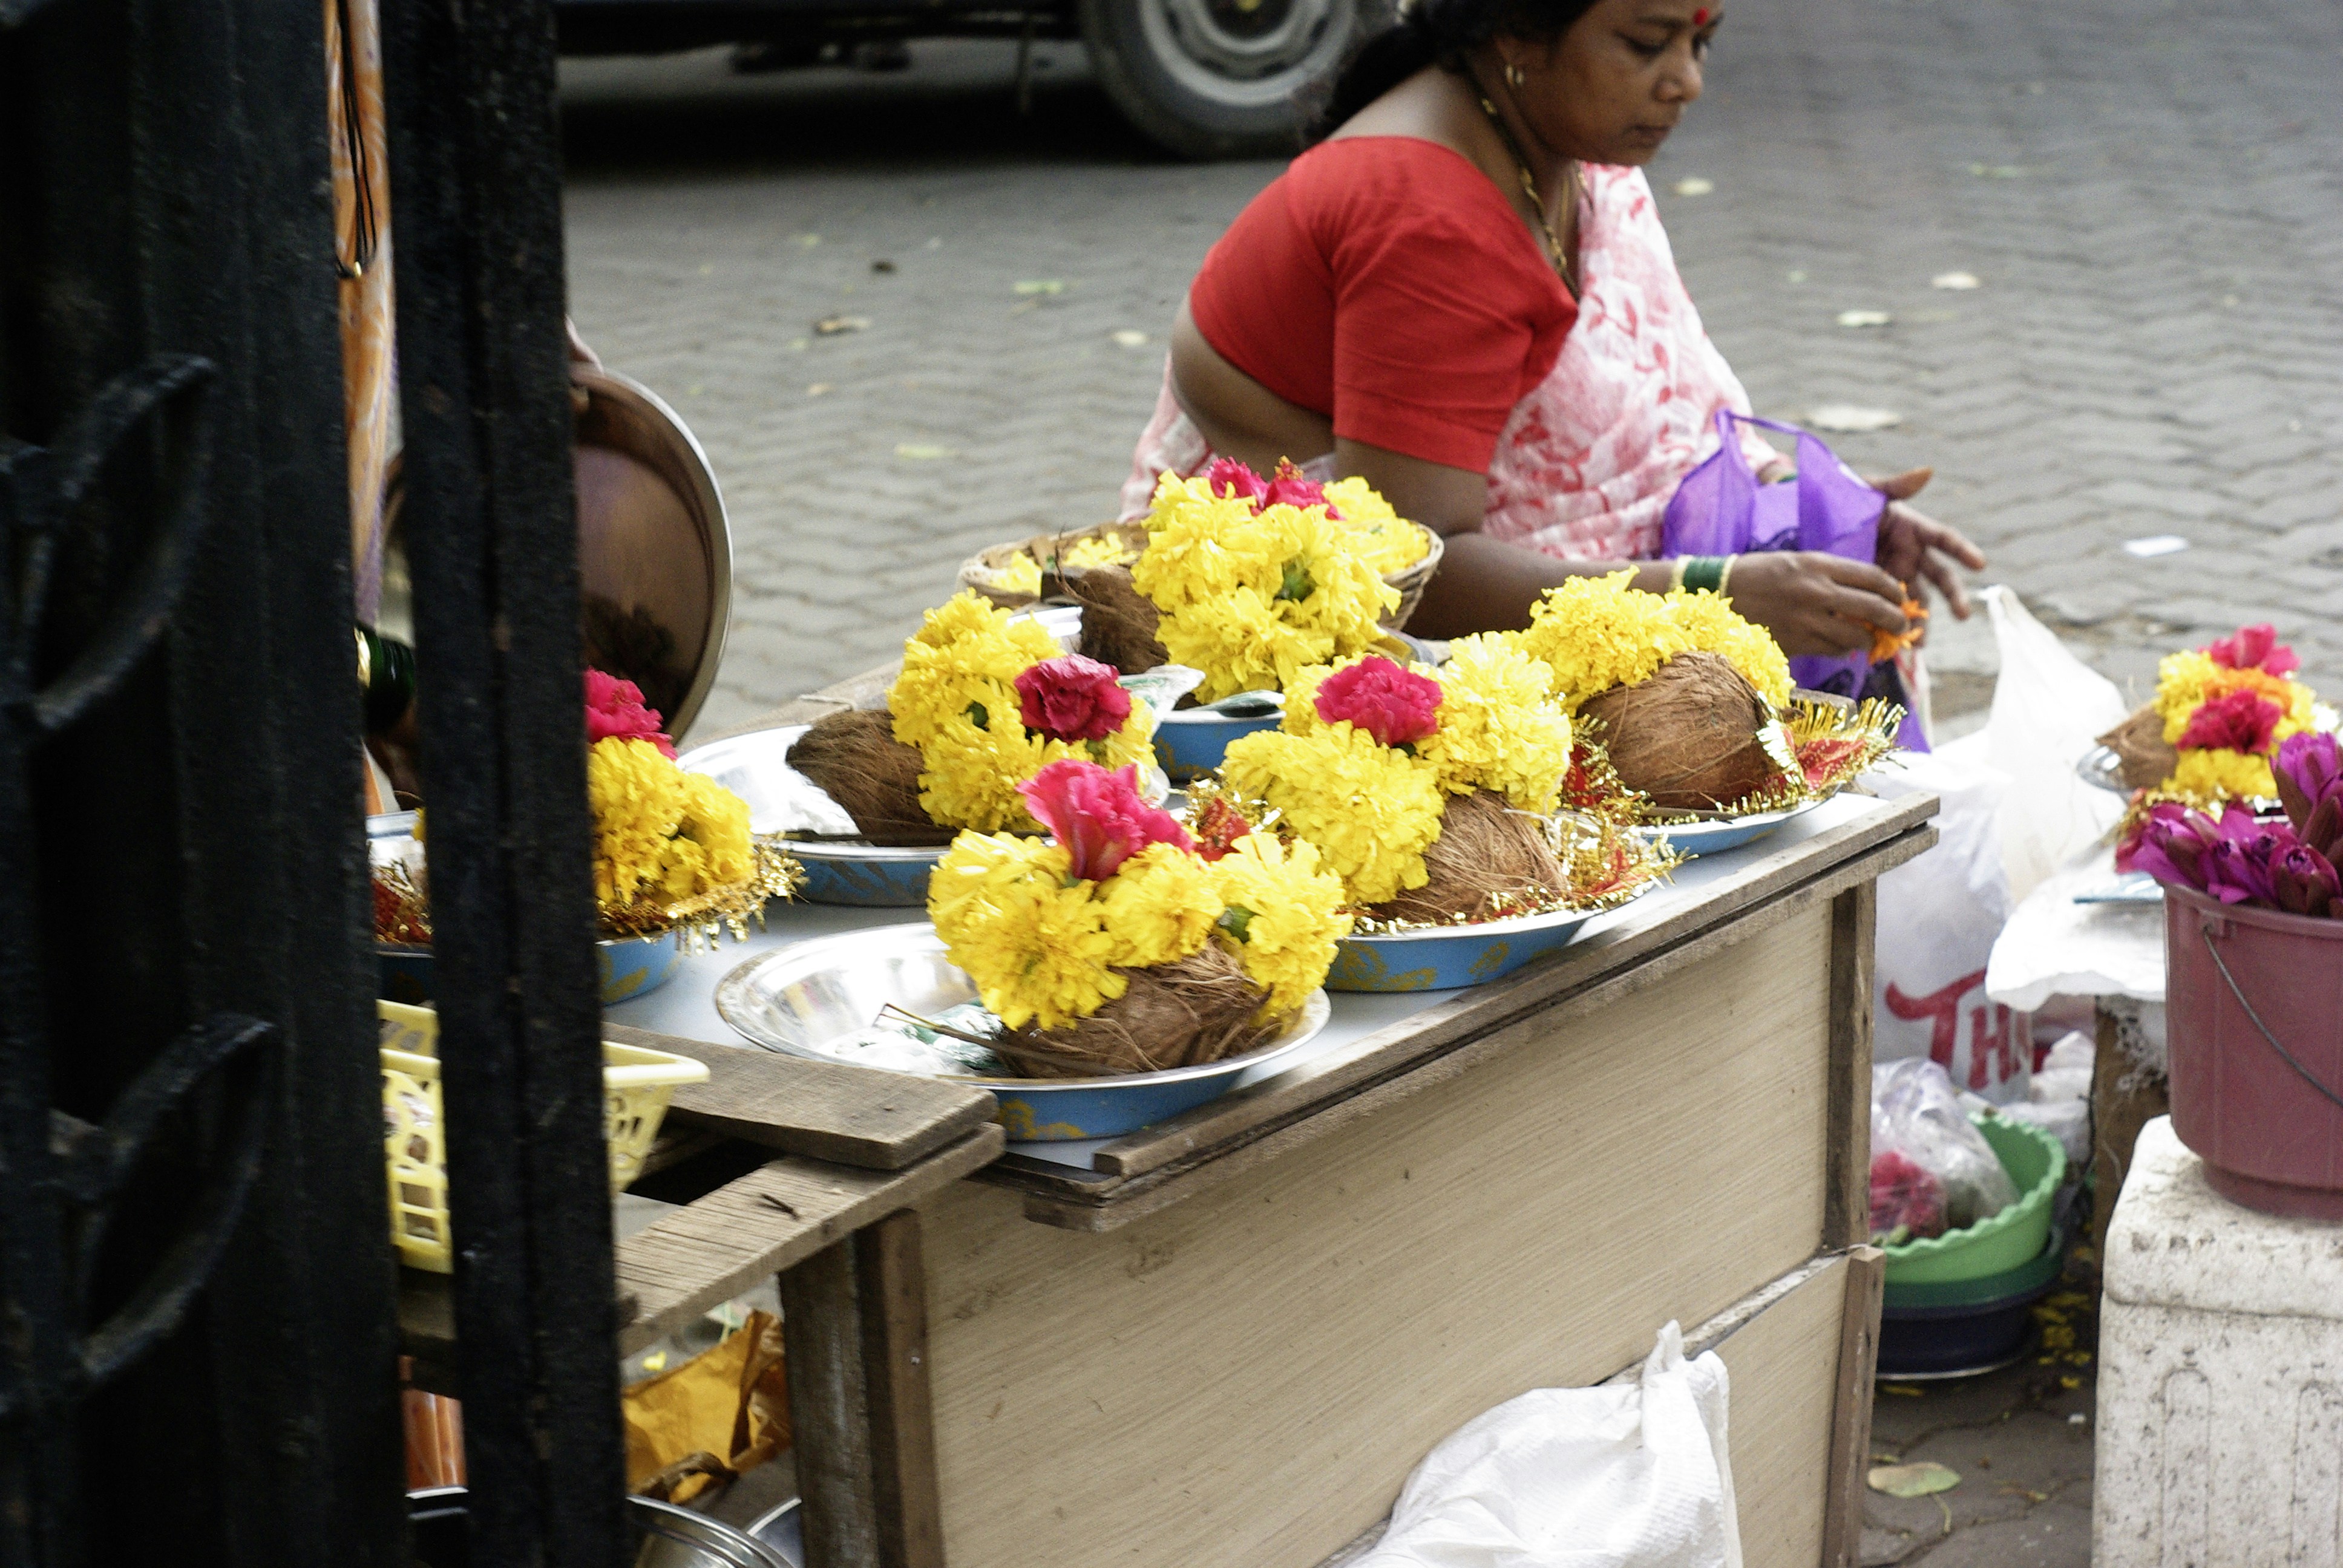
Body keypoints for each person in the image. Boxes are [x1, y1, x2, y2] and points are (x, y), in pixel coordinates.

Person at [1119, 0, 1984, 670]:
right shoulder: (1431, 217)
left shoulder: (1560, 151)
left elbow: (1651, 431)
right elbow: (1407, 575)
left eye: (1701, 41)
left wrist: (1809, 520)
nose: (1687, 81)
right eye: (1648, 45)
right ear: (1518, 35)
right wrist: (1714, 592)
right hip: (1301, 659)